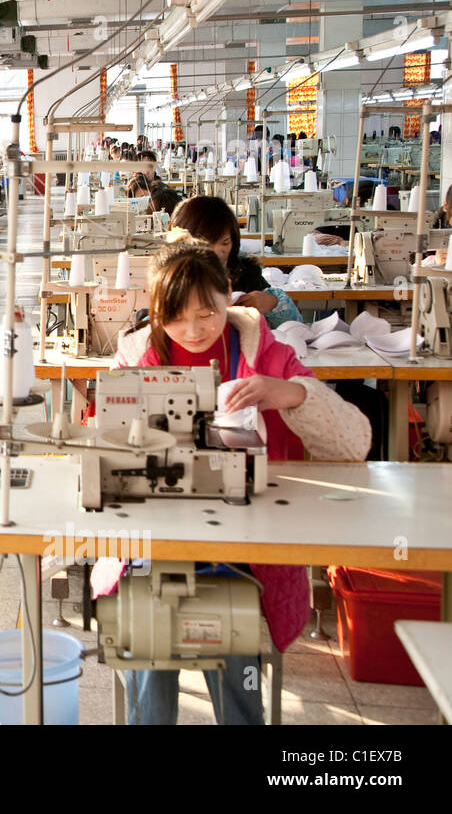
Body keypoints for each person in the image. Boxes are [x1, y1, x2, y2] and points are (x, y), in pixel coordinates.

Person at [99, 244, 370, 724]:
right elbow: (106, 441)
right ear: (157, 312)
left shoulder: (267, 354)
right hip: (155, 539)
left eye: (207, 313)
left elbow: (353, 442)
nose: (194, 330)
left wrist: (286, 392)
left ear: (230, 296)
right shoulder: (136, 355)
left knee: (236, 666)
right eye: (176, 318)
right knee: (150, 652)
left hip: (241, 548)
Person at [169, 196, 303, 329]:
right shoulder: (171, 278)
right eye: (207, 244)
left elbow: (296, 326)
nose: (218, 252)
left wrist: (271, 303)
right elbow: (155, 323)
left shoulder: (246, 274)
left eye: (225, 242)